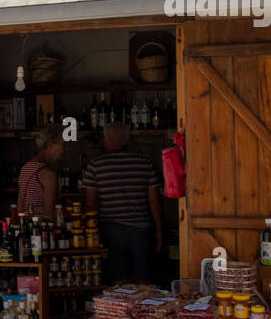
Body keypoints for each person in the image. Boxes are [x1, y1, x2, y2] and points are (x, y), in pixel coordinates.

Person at [81, 122, 163, 284]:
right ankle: (144, 308)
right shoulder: (144, 164)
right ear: (127, 140)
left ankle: (120, 309)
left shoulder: (94, 166)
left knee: (119, 282)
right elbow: (154, 202)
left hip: (111, 230)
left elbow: (91, 205)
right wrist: (159, 230)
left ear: (105, 139)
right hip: (141, 230)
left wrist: (91, 233)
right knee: (143, 280)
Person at [17, 124, 64, 217]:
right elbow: (49, 215)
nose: (64, 150)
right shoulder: (48, 174)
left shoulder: (25, 168)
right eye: (63, 145)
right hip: (41, 228)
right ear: (50, 145)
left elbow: (20, 207)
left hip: (26, 226)